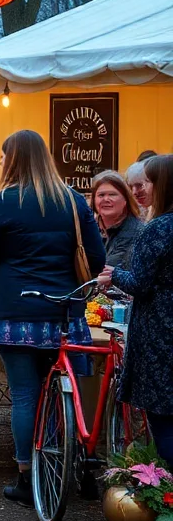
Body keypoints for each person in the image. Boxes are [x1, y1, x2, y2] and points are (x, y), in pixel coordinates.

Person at [0, 129, 106, 506]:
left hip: (17, 312)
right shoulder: (74, 202)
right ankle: (71, 462)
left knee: (26, 393)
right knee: (67, 386)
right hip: (65, 311)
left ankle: (27, 476)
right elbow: (95, 258)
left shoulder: (1, 203)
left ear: (12, 159)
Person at [107, 155, 173, 463]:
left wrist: (113, 275)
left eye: (146, 182)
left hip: (160, 333)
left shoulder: (157, 229)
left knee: (163, 420)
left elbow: (140, 283)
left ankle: (167, 492)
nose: (141, 189)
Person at [91, 170, 144, 269]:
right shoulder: (88, 227)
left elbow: (109, 270)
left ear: (125, 200)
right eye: (101, 195)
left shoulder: (136, 231)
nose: (106, 199)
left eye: (112, 194)